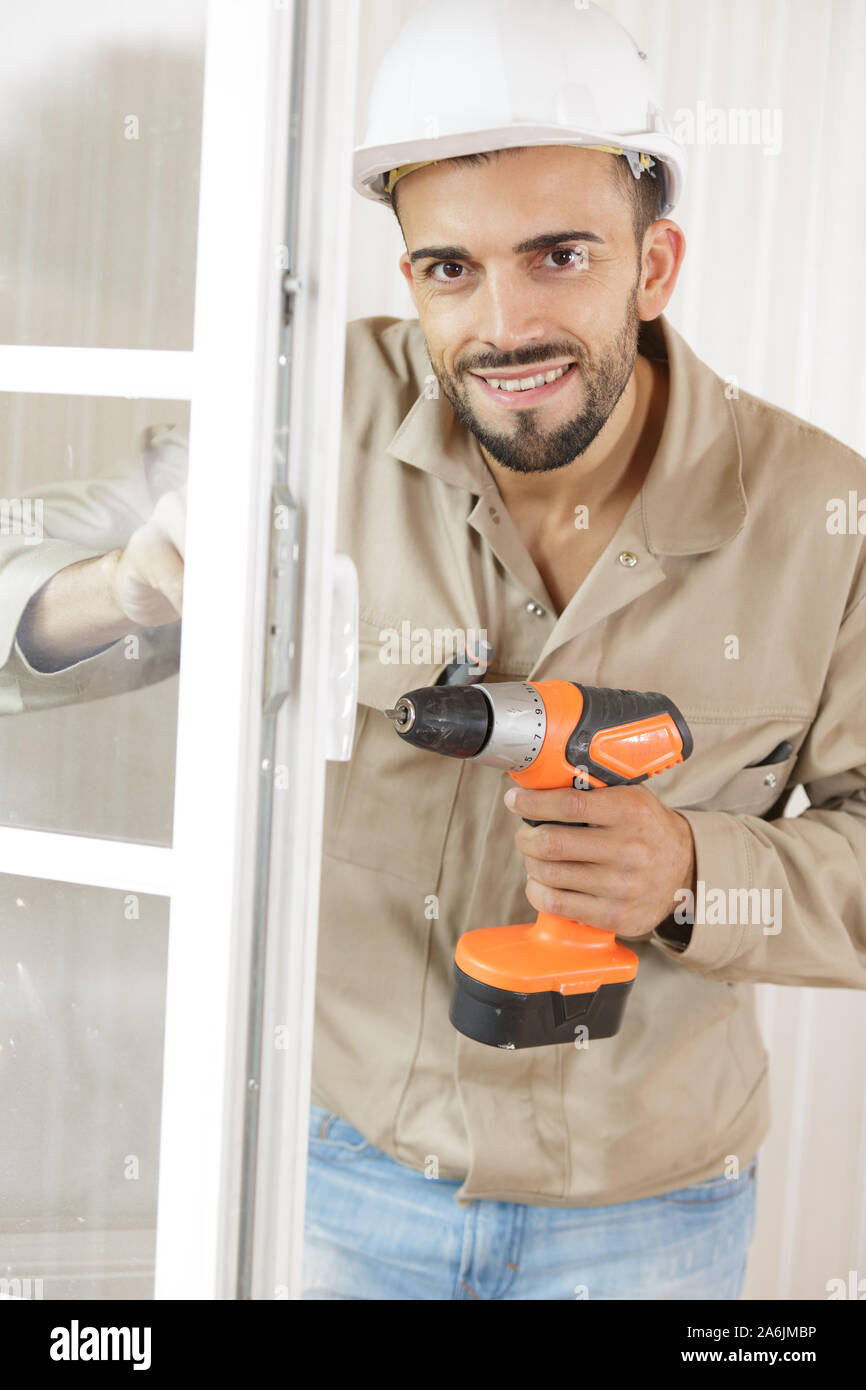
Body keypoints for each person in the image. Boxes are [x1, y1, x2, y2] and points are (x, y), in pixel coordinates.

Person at [5, 0, 866, 1301]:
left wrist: (697, 865)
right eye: (449, 269)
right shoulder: (291, 410)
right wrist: (121, 587)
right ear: (406, 275)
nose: (505, 324)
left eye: (559, 254)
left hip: (651, 1217)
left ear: (656, 263)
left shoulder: (821, 513)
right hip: (329, 1178)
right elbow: (24, 589)